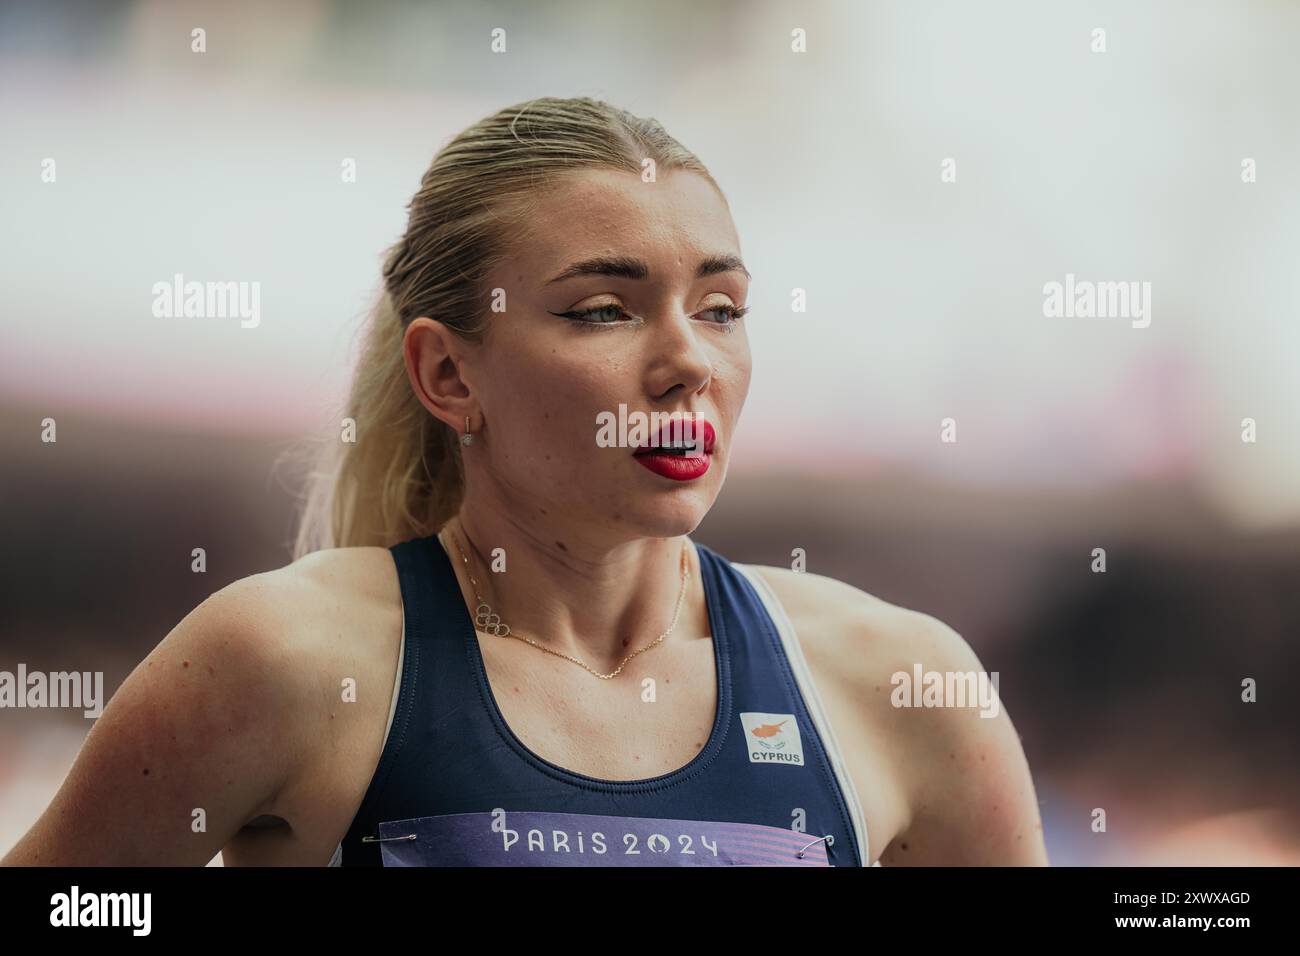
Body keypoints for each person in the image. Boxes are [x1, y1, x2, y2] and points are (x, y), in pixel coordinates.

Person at [1, 96, 1046, 867]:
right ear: (449, 374)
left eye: (721, 306)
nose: (689, 359)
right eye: (603, 308)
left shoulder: (900, 686)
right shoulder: (282, 657)